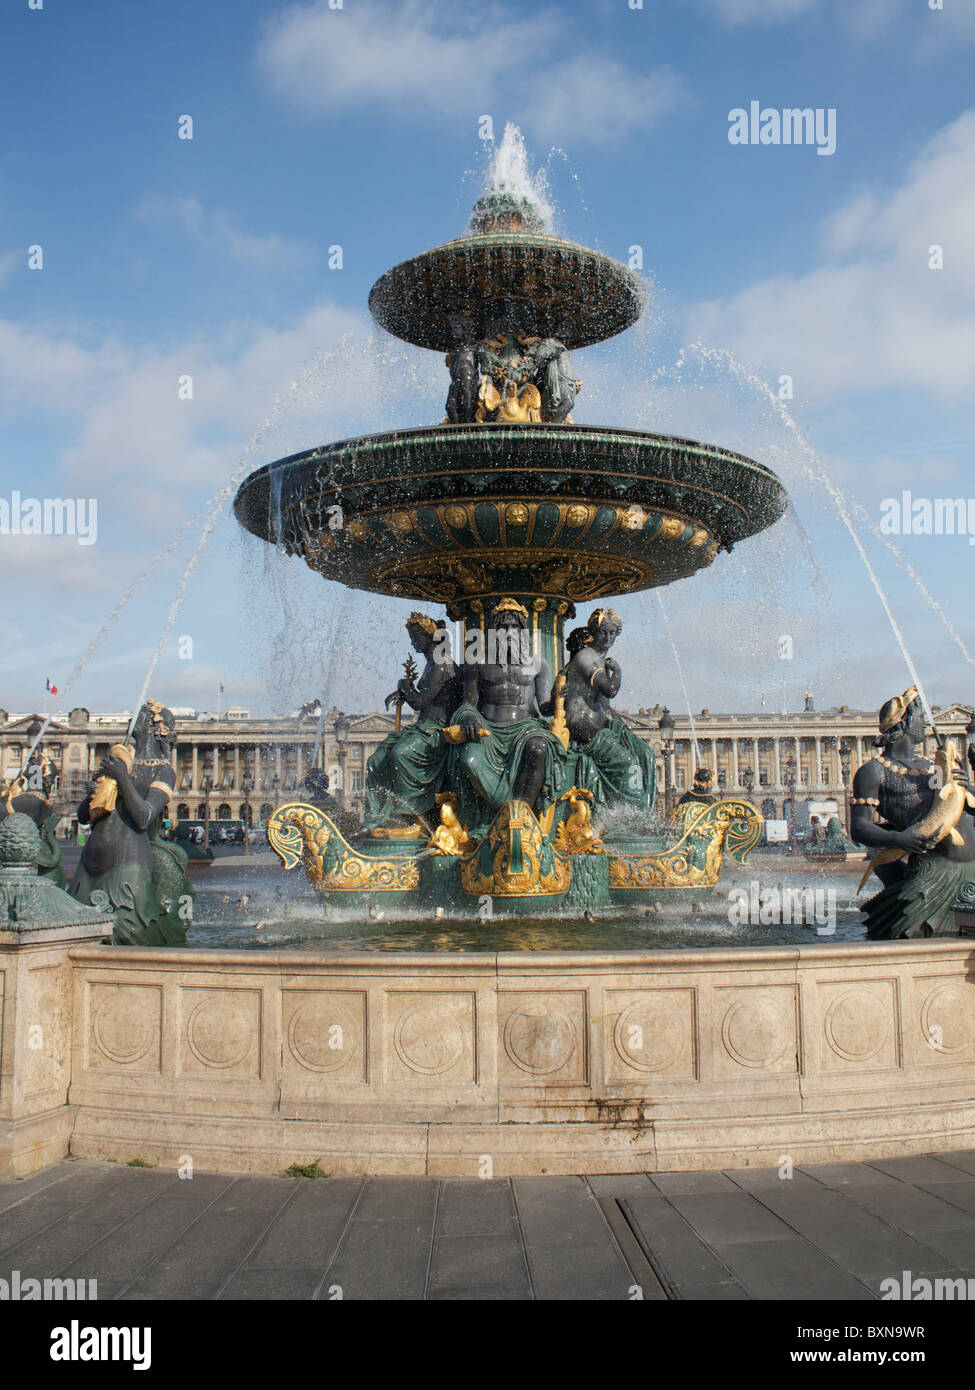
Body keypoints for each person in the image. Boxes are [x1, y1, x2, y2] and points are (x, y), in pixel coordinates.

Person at [851, 686, 975, 938]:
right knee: (916, 936)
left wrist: (966, 786)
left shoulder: (932, 767)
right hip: (932, 874)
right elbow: (859, 828)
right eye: (920, 718)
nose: (926, 724)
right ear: (904, 723)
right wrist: (898, 839)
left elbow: (964, 805)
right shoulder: (874, 771)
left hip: (970, 870)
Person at [70, 700, 192, 946]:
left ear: (158, 727)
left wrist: (122, 778)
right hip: (89, 864)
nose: (133, 719)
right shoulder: (120, 762)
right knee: (72, 933)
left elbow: (144, 817)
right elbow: (83, 816)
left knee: (128, 935)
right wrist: (95, 788)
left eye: (142, 715)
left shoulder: (163, 770)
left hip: (126, 867)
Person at [451, 598, 566, 833]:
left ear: (524, 632)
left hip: (525, 729)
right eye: (503, 627)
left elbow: (543, 706)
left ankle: (519, 820)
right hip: (489, 730)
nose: (509, 632)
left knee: (539, 749)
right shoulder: (478, 662)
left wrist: (557, 698)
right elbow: (468, 703)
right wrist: (469, 717)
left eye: (515, 627)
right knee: (469, 760)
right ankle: (502, 813)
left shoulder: (539, 665)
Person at [364, 613, 463, 833]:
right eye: (412, 636)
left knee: (401, 754)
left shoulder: (442, 665)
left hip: (436, 731)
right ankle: (380, 816)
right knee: (375, 759)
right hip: (421, 729)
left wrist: (403, 684)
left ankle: (412, 818)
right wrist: (405, 690)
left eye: (417, 636)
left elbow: (419, 702)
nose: (413, 641)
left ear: (432, 637)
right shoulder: (431, 665)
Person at [560, 609, 655, 814]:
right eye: (603, 632)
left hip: (599, 726)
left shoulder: (598, 660)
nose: (608, 638)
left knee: (645, 753)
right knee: (628, 763)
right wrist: (618, 672)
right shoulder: (587, 657)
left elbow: (604, 706)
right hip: (583, 727)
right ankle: (623, 816)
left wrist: (625, 730)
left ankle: (643, 814)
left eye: (612, 633)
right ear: (595, 631)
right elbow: (610, 690)